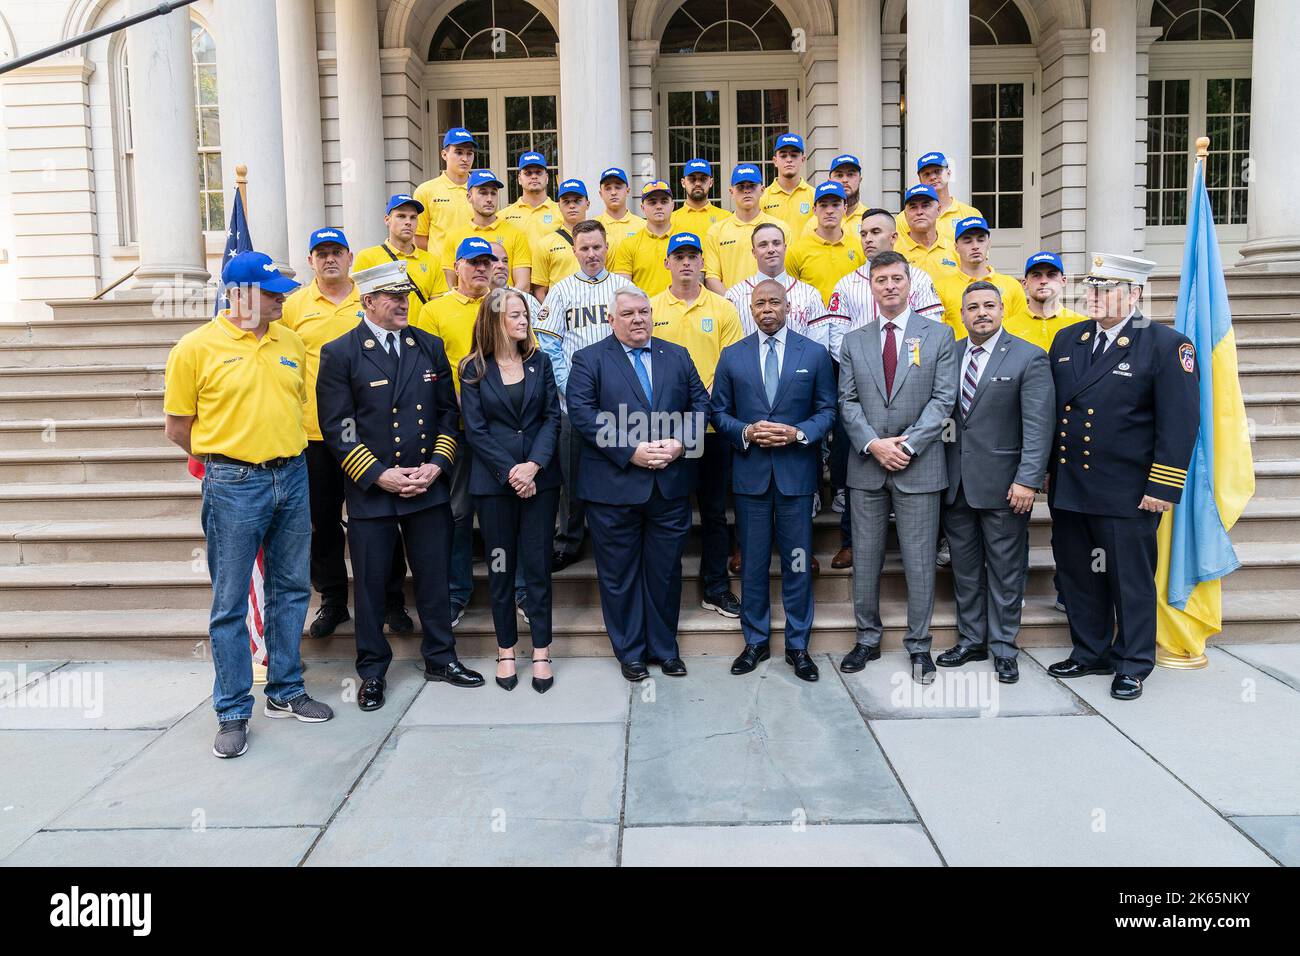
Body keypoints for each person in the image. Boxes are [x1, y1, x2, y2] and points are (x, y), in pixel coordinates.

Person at [163, 251, 334, 759]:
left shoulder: (292, 342)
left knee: (290, 588)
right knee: (231, 601)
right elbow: (178, 427)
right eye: (272, 291)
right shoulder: (195, 348)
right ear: (239, 294)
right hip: (234, 483)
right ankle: (233, 710)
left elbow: (297, 404)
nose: (282, 298)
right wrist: (229, 460)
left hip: (293, 475)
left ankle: (285, 691)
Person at [317, 260, 484, 710]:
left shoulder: (428, 346)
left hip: (427, 486)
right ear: (368, 301)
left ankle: (441, 658)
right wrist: (377, 474)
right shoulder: (341, 352)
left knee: (434, 579)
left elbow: (449, 413)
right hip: (372, 489)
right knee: (371, 587)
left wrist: (437, 465)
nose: (403, 303)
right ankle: (372, 671)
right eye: (393, 297)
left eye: (406, 296)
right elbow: (338, 427)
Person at [1045, 253, 1200, 701]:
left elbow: (1180, 422)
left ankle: (1132, 661)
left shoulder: (1166, 344)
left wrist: (1163, 486)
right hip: (1072, 485)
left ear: (1134, 294)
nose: (1094, 297)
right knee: (1078, 573)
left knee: (1128, 579)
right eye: (1090, 288)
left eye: (1106, 289)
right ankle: (1089, 650)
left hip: (1128, 491)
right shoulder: (1067, 339)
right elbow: (1056, 411)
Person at [566, 286, 710, 681]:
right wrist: (630, 449)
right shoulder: (589, 359)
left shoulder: (676, 355)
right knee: (619, 575)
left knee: (665, 573)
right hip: (613, 489)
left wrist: (681, 443)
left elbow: (701, 405)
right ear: (611, 320)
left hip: (669, 485)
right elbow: (582, 413)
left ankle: (665, 649)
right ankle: (630, 652)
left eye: (644, 311)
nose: (638, 319)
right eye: (628, 313)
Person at [280, 228, 411, 639]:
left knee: (380, 518)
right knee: (322, 522)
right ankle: (334, 600)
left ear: (350, 257)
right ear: (310, 260)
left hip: (371, 433)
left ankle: (393, 600)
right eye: (321, 253)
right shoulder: (295, 306)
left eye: (336, 251)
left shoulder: (369, 299)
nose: (329, 259)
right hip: (315, 434)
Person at [837, 250, 958, 684]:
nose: (889, 286)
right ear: (871, 286)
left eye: (896, 279)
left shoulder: (939, 336)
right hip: (867, 464)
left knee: (920, 560)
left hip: (918, 464)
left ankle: (920, 646)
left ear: (910, 284)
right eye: (881, 279)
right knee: (866, 559)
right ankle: (867, 638)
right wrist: (872, 443)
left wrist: (905, 446)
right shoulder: (853, 340)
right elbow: (846, 401)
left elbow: (944, 399)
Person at [711, 279, 836, 682]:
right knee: (753, 565)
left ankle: (798, 646)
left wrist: (797, 433)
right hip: (751, 479)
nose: (768, 308)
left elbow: (827, 411)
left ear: (788, 306)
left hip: (796, 477)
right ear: (751, 308)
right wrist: (746, 432)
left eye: (775, 302)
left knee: (798, 563)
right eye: (760, 303)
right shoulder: (732, 356)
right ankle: (756, 642)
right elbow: (719, 413)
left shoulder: (814, 354)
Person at [936, 281, 1053, 684]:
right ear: (962, 313)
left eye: (989, 305)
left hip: (1006, 487)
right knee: (965, 569)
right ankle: (972, 640)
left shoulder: (1028, 358)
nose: (981, 313)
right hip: (955, 485)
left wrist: (1028, 480)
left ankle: (1004, 647)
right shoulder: (947, 354)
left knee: (1006, 570)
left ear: (1002, 309)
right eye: (972, 307)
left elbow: (1039, 427)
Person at [826, 209, 944, 569]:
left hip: (912, 389)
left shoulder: (918, 278)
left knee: (917, 477)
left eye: (876, 231)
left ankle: (929, 541)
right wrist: (866, 368)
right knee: (854, 470)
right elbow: (835, 336)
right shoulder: (846, 284)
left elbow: (932, 331)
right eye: (863, 233)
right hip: (862, 393)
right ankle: (851, 540)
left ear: (894, 237)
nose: (868, 238)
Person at [459, 287, 562, 693]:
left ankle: (541, 650)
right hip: (495, 485)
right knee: (500, 568)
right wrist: (511, 472)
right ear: (495, 321)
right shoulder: (473, 368)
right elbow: (476, 430)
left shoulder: (541, 362)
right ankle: (505, 649)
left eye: (525, 314)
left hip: (540, 481)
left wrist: (533, 466)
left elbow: (552, 418)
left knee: (537, 567)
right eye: (515, 315)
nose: (524, 320)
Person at [651, 232, 745, 618]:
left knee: (714, 513)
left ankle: (715, 587)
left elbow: (731, 364)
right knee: (667, 512)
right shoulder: (651, 307)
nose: (686, 263)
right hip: (665, 429)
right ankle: (662, 588)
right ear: (667, 263)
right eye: (679, 256)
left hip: (712, 431)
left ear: (703, 262)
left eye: (693, 256)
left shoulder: (723, 308)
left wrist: (701, 404)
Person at [534, 221, 630, 571]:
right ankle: (569, 541)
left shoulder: (624, 287)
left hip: (619, 401)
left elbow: (637, 338)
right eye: (584, 248)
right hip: (571, 403)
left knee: (620, 469)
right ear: (574, 251)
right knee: (571, 477)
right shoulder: (560, 290)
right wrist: (572, 389)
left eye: (597, 247)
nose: (591, 254)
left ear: (607, 248)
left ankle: (619, 536)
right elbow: (549, 346)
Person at [412, 237, 495, 626]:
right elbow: (426, 369)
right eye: (473, 262)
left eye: (487, 262)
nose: (481, 269)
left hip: (504, 429)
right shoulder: (434, 310)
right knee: (458, 513)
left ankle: (518, 591)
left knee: (510, 512)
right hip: (456, 429)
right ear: (457, 267)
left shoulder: (505, 303)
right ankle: (457, 592)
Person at [726, 222, 832, 347]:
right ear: (754, 252)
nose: (771, 249)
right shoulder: (734, 296)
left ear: (785, 247)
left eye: (776, 243)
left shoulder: (810, 294)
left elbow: (819, 348)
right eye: (763, 245)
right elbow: (732, 350)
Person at [353, 194, 448, 321]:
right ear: (387, 220)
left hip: (421, 336)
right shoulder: (367, 257)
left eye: (413, 217)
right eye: (401, 216)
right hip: (382, 336)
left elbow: (437, 306)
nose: (408, 222)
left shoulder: (432, 261)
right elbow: (359, 304)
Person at [933, 216, 1031, 338]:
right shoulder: (940, 288)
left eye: (980, 240)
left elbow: (1022, 329)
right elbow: (937, 334)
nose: (975, 246)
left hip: (1005, 354)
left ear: (989, 243)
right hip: (958, 355)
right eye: (968, 241)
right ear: (956, 247)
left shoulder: (1011, 286)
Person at [439, 169, 532, 290]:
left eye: (493, 193)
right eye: (483, 193)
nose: (489, 199)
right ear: (469, 197)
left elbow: (523, 284)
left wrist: (501, 304)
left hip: (502, 305)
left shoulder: (516, 234)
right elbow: (449, 285)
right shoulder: (453, 237)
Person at [703, 164, 788, 294]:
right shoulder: (716, 231)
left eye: (751, 186)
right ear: (731, 192)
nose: (746, 191)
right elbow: (712, 277)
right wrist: (734, 302)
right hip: (732, 307)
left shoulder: (780, 228)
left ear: (762, 189)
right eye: (741, 187)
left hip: (772, 306)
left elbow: (787, 271)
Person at [786, 181, 863, 305]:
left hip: (851, 322)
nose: (829, 211)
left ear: (845, 208)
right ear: (814, 210)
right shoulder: (796, 251)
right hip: (810, 322)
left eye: (835, 204)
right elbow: (790, 293)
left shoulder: (858, 248)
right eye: (823, 205)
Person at [894, 150, 982, 245]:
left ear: (948, 173)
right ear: (920, 179)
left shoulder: (970, 214)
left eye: (938, 171)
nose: (933, 177)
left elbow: (979, 254)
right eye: (926, 174)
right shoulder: (904, 218)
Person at [1009, 250, 1089, 353]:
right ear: (1024, 283)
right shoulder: (1007, 328)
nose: (1044, 281)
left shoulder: (1082, 324)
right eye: (1036, 275)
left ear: (1063, 281)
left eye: (1051, 275)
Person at [413, 126, 475, 253]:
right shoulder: (426, 190)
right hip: (439, 270)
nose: (465, 158)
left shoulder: (483, 191)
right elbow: (420, 239)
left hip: (476, 268)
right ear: (444, 154)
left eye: (469, 153)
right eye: (459, 152)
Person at [611, 180, 675, 296]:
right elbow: (623, 289)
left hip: (681, 310)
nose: (659, 206)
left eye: (664, 201)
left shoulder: (685, 240)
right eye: (652, 202)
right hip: (643, 311)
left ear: (672, 205)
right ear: (642, 207)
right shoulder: (628, 244)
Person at [531, 178, 590, 300]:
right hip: (560, 312)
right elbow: (540, 290)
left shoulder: (601, 241)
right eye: (566, 202)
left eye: (577, 201)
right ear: (559, 206)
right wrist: (552, 315)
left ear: (587, 204)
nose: (572, 205)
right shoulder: (546, 244)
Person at [894, 184, 959, 280]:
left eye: (925, 206)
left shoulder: (956, 250)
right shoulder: (894, 251)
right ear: (905, 215)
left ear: (938, 210)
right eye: (913, 207)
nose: (919, 212)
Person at [803, 153, 867, 250]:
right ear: (829, 180)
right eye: (839, 175)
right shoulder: (813, 224)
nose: (845, 180)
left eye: (850, 174)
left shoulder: (869, 219)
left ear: (860, 179)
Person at [500, 151, 561, 246]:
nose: (534, 176)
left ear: (547, 178)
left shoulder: (561, 212)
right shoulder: (503, 216)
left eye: (538, 172)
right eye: (528, 173)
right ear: (519, 179)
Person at [760, 132, 815, 234]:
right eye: (783, 155)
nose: (789, 160)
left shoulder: (815, 196)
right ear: (775, 161)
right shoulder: (762, 197)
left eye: (794, 155)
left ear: (802, 159)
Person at [595, 166, 646, 261]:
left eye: (618, 187)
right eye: (608, 188)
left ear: (627, 191)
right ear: (601, 193)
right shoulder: (593, 226)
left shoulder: (643, 226)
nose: (613, 192)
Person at [670, 158, 724, 237]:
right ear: (683, 183)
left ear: (711, 182)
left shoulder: (725, 218)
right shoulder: (670, 219)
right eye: (692, 179)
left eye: (703, 179)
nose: (698, 183)